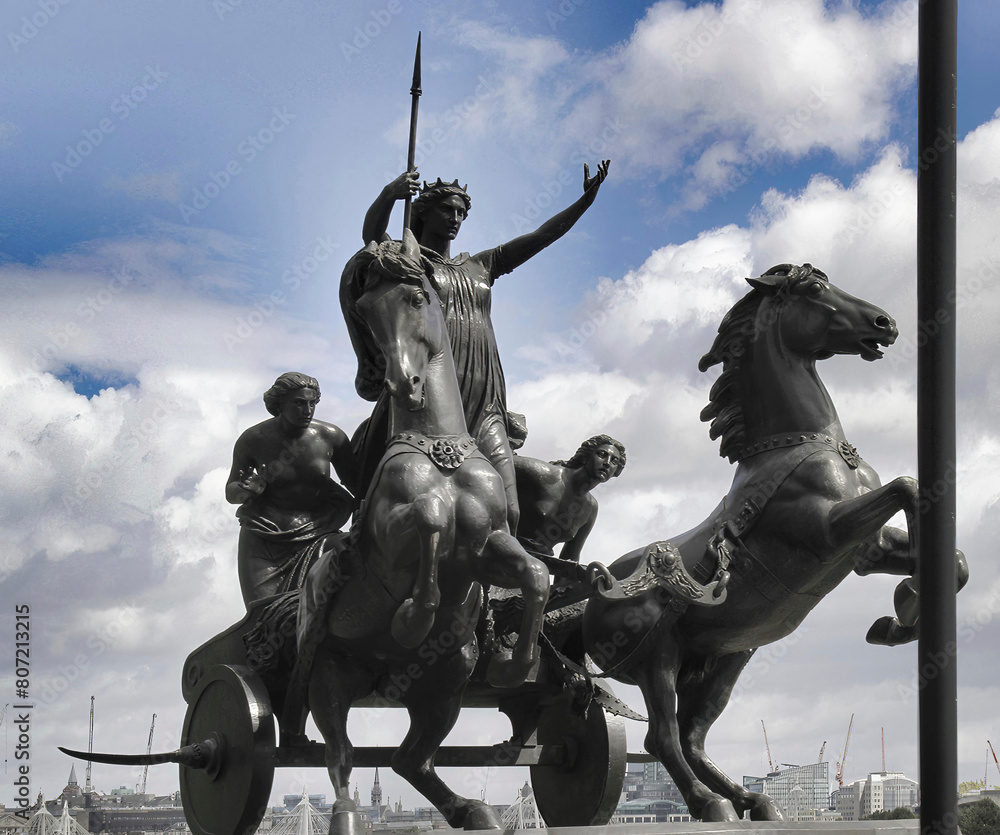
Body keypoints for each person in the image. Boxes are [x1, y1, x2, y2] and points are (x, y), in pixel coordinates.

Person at [351, 161, 611, 533]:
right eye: (447, 209)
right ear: (424, 211)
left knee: (508, 509)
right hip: (433, 387)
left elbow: (541, 236)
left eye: (461, 213)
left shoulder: (482, 265)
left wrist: (585, 202)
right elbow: (373, 238)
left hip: (485, 393)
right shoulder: (411, 262)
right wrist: (390, 195)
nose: (455, 218)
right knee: (397, 493)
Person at [226, 372, 357, 607]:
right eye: (298, 403)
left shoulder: (331, 437)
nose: (307, 410)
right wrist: (248, 491)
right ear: (280, 404)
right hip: (265, 539)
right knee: (265, 615)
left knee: (342, 589)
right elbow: (231, 491)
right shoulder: (253, 439)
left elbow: (360, 486)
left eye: (312, 403)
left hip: (319, 533)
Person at [514, 434, 627, 568]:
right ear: (585, 457)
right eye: (602, 455)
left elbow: (569, 559)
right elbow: (500, 462)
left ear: (615, 472)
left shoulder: (590, 508)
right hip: (504, 552)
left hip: (536, 568)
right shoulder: (542, 474)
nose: (607, 463)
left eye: (614, 461)